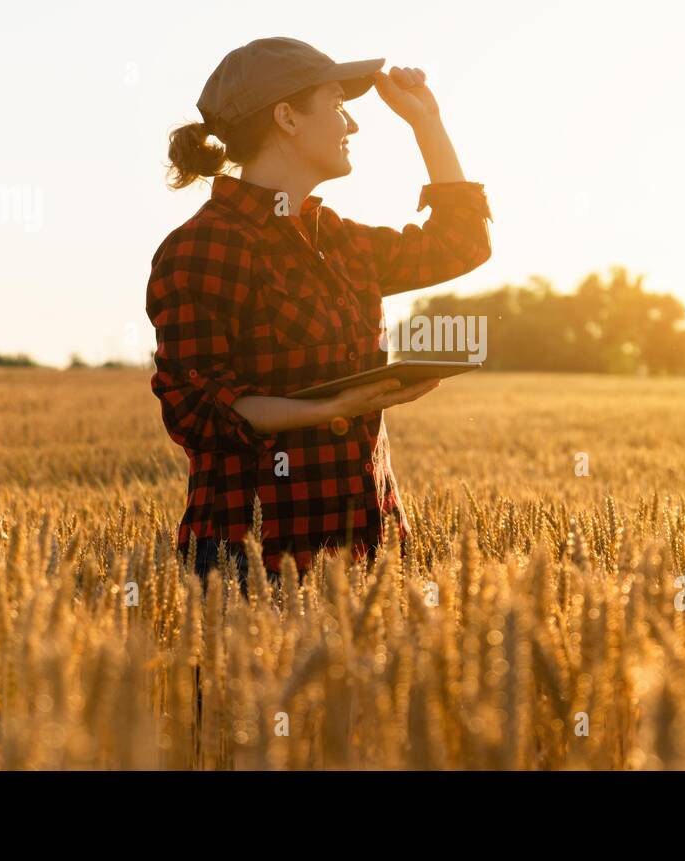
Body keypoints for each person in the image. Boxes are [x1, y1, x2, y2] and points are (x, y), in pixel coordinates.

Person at [146, 36, 494, 599]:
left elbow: (460, 244)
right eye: (335, 104)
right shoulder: (202, 248)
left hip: (368, 550)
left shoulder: (338, 240)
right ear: (286, 117)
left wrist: (427, 123)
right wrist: (331, 407)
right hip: (253, 565)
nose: (350, 125)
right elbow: (196, 409)